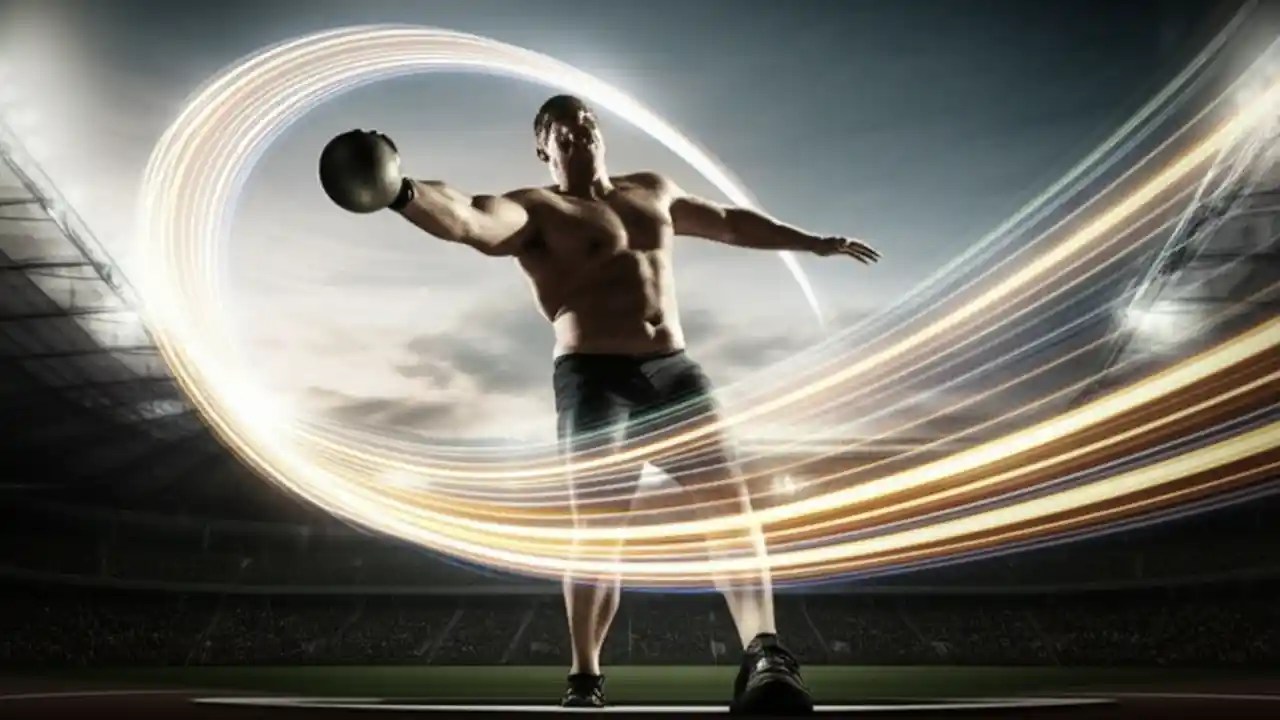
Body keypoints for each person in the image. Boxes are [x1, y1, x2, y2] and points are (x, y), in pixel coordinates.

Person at [323, 95, 879, 713]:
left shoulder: (652, 191)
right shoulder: (536, 209)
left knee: (733, 509)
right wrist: (400, 190)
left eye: (586, 120)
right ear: (544, 146)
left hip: (675, 373)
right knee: (598, 536)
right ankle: (585, 679)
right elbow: (471, 220)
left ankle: (766, 658)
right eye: (563, 127)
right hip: (594, 380)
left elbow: (727, 220)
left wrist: (814, 243)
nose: (580, 129)